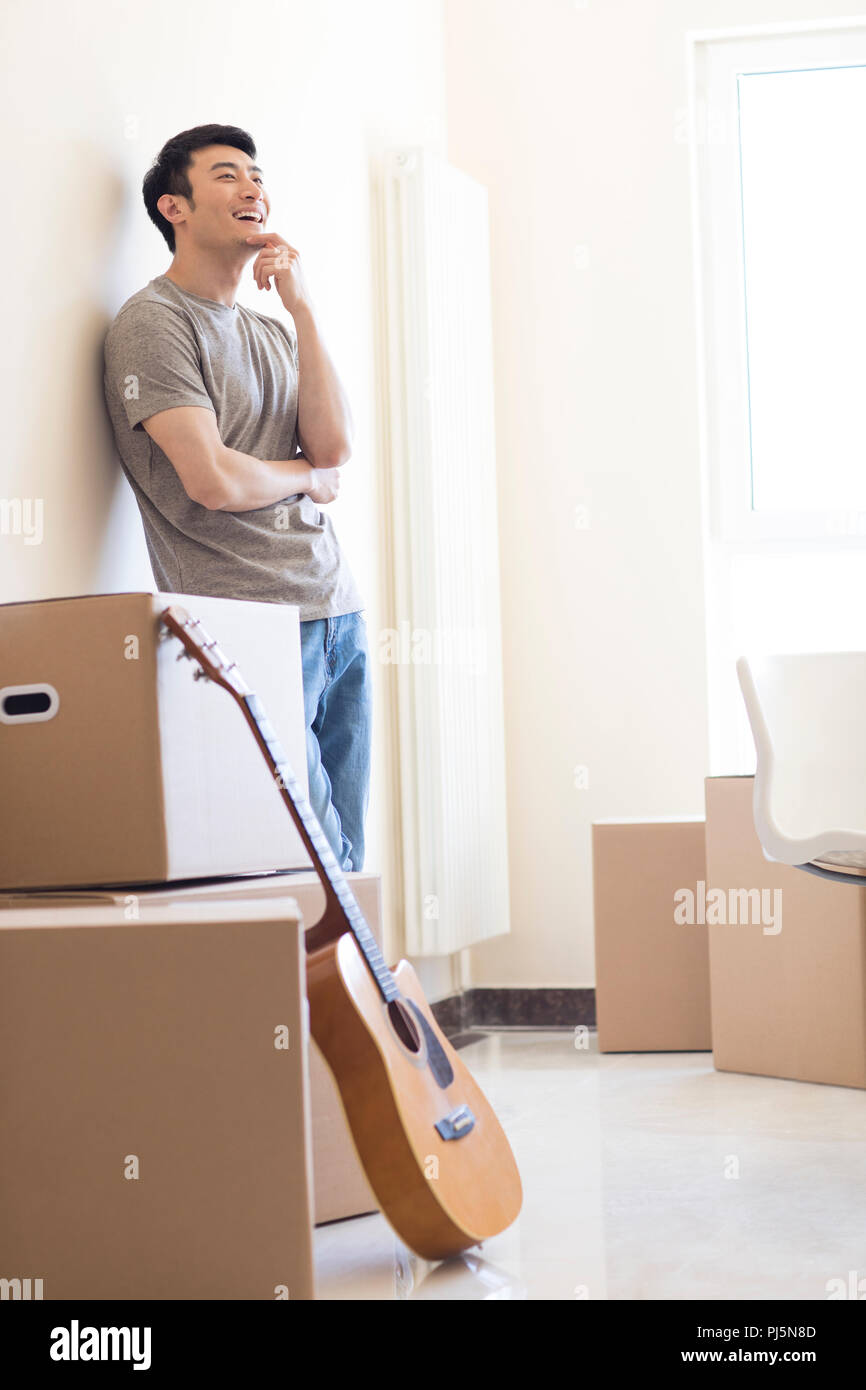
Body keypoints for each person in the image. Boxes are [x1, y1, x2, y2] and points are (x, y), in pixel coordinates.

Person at [103, 123, 371, 871]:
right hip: (247, 621)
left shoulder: (273, 331)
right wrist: (304, 479)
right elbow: (213, 480)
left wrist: (303, 309)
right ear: (174, 208)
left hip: (336, 610)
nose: (253, 187)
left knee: (348, 864)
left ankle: (353, 957)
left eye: (257, 176)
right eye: (227, 175)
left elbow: (334, 448)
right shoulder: (153, 324)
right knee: (312, 860)